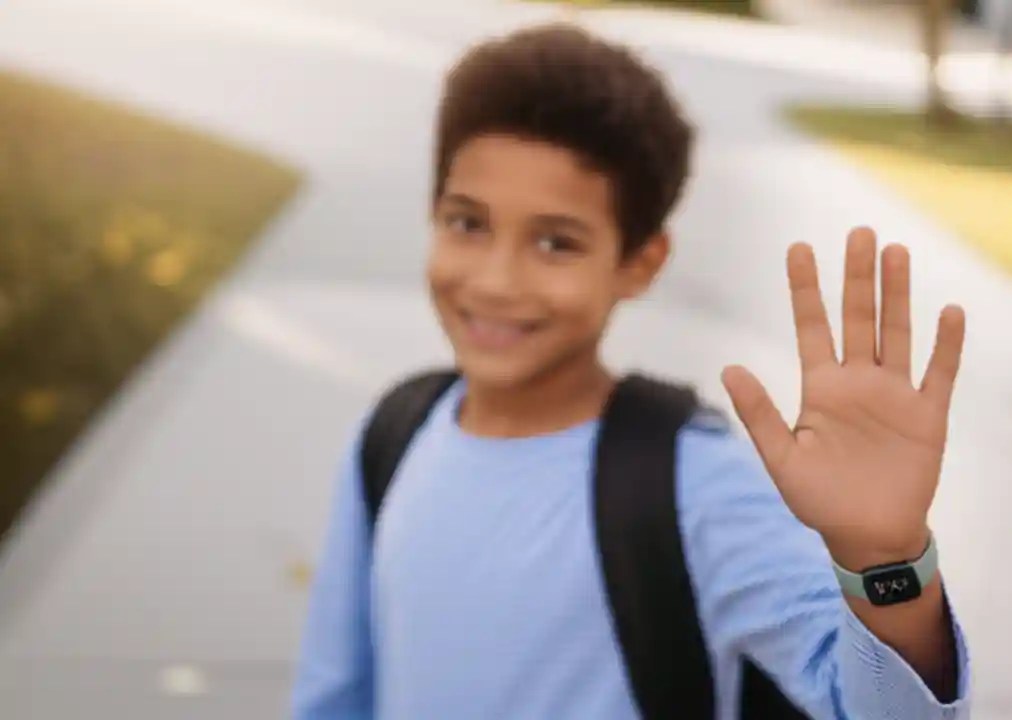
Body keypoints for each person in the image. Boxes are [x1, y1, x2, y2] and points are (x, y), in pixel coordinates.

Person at [292, 22, 971, 720]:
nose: (496, 280)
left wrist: (885, 561)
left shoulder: (694, 483)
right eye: (468, 223)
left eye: (556, 243)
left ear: (640, 263)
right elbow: (332, 694)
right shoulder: (394, 437)